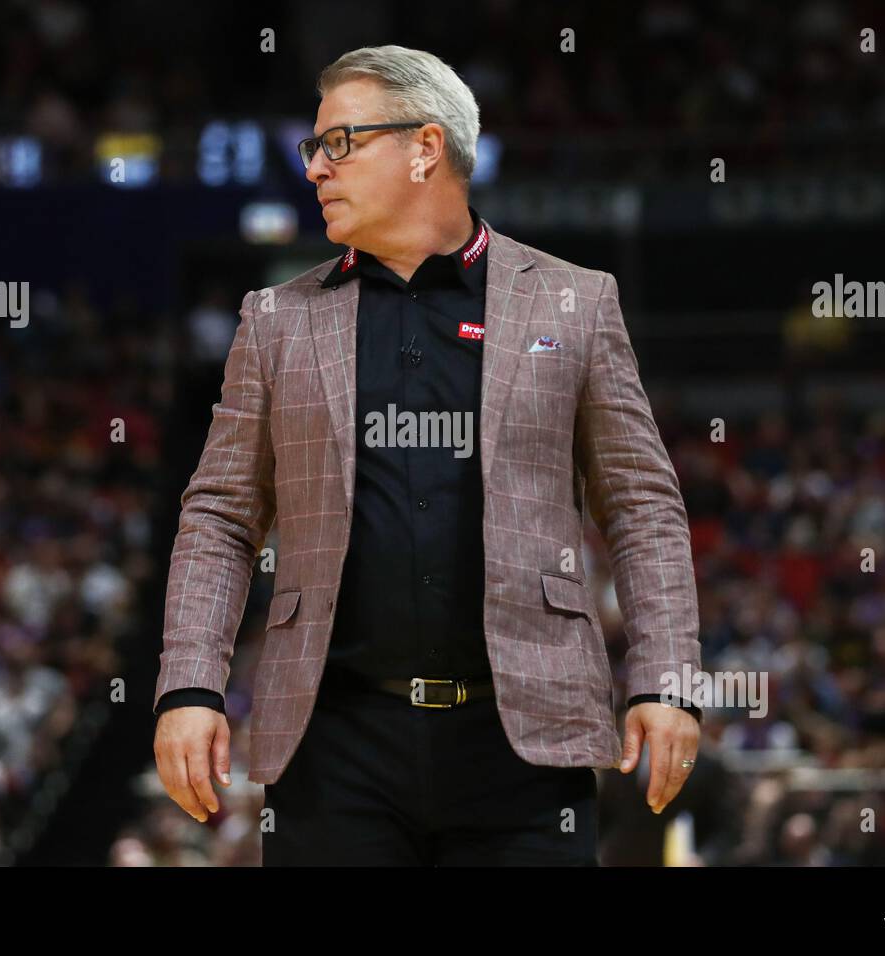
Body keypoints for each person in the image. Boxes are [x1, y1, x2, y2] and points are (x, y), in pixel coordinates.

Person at [153, 45, 702, 865]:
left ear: (425, 147)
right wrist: (190, 685)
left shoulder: (576, 301)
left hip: (526, 743)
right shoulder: (275, 320)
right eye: (314, 148)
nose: (315, 169)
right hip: (332, 743)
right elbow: (221, 515)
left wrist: (666, 680)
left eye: (339, 142)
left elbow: (642, 505)